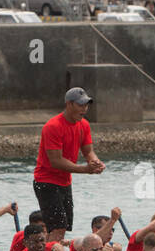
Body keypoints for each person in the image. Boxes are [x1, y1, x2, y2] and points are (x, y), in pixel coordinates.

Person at [32, 87, 105, 242]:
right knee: (57, 227)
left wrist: (95, 163)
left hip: (65, 182)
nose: (84, 109)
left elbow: (88, 152)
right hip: (46, 181)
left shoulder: (84, 125)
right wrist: (85, 170)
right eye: (80, 105)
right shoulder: (53, 126)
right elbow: (56, 161)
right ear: (69, 104)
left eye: (86, 105)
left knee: (63, 227)